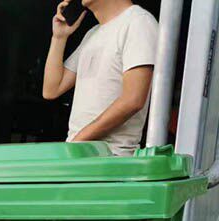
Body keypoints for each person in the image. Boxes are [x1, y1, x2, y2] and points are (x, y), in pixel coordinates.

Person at [43, 0, 159, 156]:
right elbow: (51, 90)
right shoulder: (93, 33)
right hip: (80, 153)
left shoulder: (139, 22)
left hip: (111, 155)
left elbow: (133, 100)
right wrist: (59, 38)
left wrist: (78, 140)